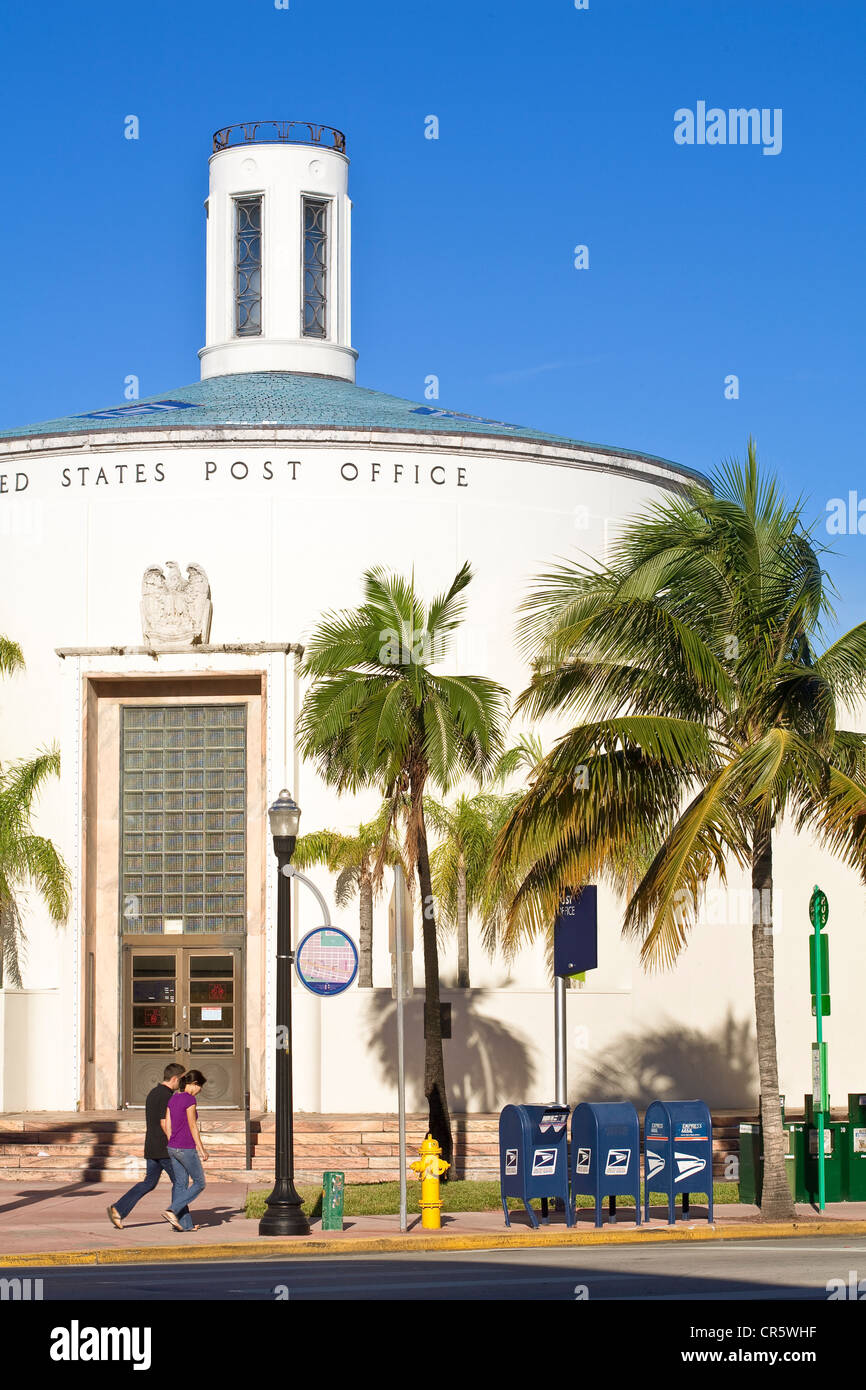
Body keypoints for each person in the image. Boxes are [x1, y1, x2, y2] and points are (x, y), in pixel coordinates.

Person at [107, 1063, 186, 1230]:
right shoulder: (167, 1096)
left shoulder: (153, 1093)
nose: (182, 1084)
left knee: (149, 1182)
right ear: (174, 1079)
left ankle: (118, 1209)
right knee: (180, 1182)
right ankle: (181, 1219)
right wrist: (176, 1144)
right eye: (181, 1080)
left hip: (151, 1147)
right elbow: (165, 1123)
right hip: (164, 1148)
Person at [163, 1070, 209, 1232]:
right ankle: (172, 1209)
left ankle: (184, 1224)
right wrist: (202, 1149)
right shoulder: (190, 1099)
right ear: (194, 1084)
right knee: (199, 1183)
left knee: (181, 1185)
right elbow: (192, 1125)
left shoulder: (173, 1098)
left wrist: (172, 1141)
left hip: (172, 1147)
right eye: (200, 1087)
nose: (199, 1091)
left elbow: (168, 1125)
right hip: (186, 1147)